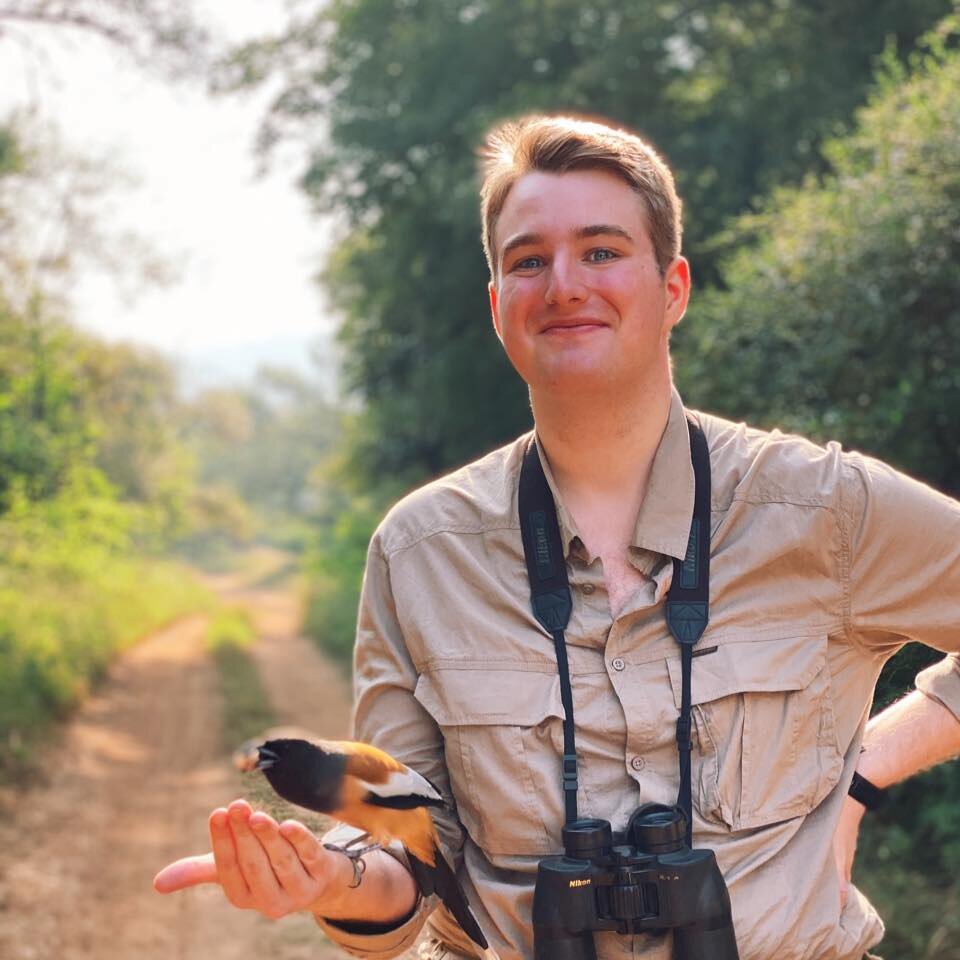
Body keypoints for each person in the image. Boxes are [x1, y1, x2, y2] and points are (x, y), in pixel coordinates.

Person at [154, 115, 960, 960]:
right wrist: (331, 882)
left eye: (602, 251)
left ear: (673, 288)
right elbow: (412, 866)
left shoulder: (825, 507)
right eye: (528, 260)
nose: (564, 285)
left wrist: (863, 773)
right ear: (500, 303)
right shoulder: (420, 551)